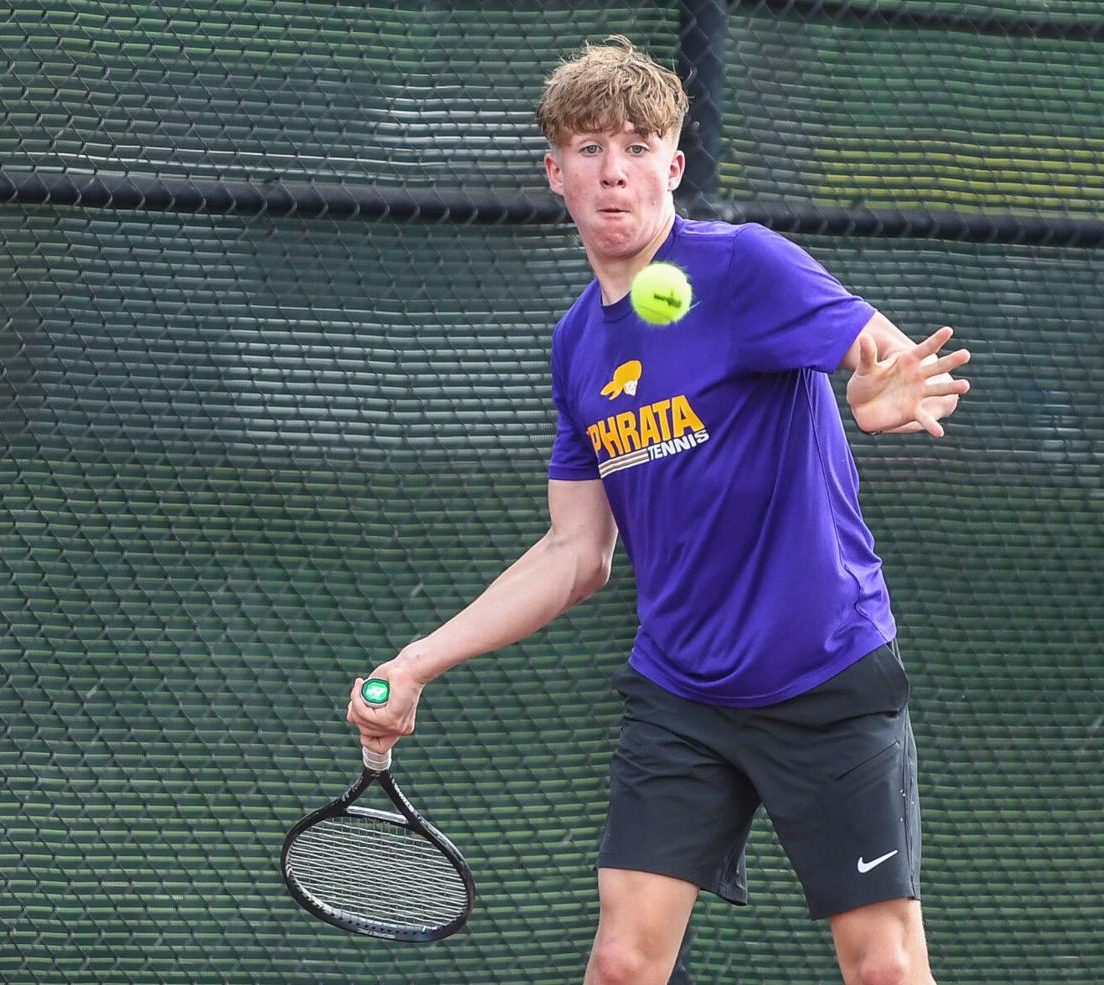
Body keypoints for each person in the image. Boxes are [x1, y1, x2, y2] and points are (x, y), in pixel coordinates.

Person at [348, 36, 970, 985]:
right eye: (591, 148)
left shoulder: (744, 267)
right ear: (555, 172)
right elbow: (576, 552)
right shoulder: (576, 347)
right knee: (623, 964)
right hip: (683, 693)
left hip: (826, 670)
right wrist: (417, 660)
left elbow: (885, 356)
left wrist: (879, 391)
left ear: (673, 167)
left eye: (638, 147)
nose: (615, 171)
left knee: (883, 965)